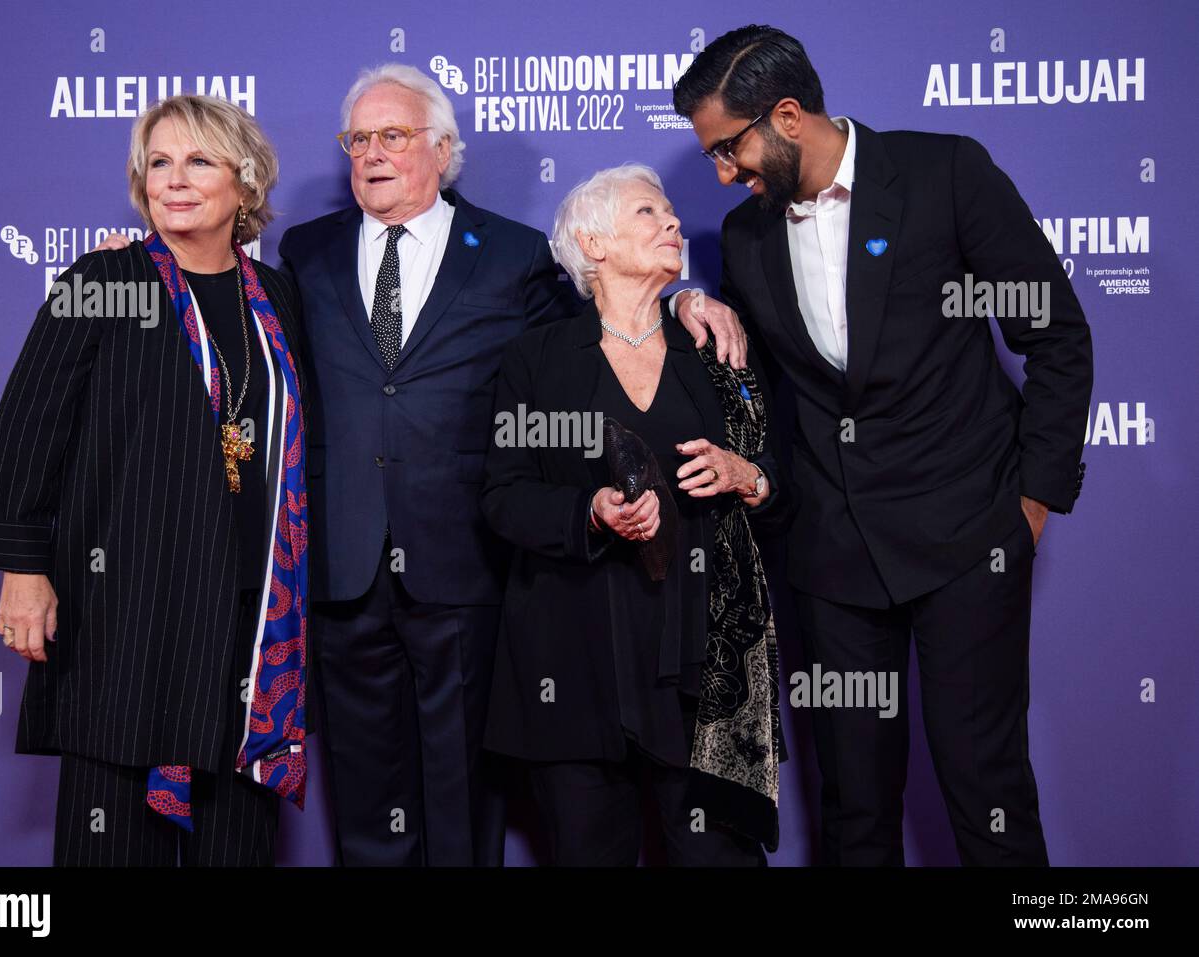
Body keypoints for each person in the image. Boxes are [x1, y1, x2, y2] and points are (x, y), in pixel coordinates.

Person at [277, 64, 748, 866]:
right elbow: (240, 321)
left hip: (464, 565)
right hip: (343, 565)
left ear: (442, 148)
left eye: (392, 136)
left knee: (464, 805)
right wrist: (135, 260)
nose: (371, 154)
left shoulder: (512, 253)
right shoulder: (306, 250)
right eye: (357, 138)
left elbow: (606, 320)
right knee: (365, 801)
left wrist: (679, 299)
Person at [673, 25, 1094, 865]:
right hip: (835, 558)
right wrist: (687, 299)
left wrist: (1032, 503)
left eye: (730, 147)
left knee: (988, 789)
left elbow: (1055, 336)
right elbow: (760, 381)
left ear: (787, 115)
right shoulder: (750, 237)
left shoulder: (944, 174)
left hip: (969, 541)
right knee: (856, 808)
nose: (723, 173)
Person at [0, 94, 308, 866]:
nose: (174, 181)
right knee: (112, 842)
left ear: (245, 186)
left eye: (199, 162)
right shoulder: (103, 278)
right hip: (126, 611)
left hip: (251, 623)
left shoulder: (277, 300)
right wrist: (24, 568)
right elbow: (26, 429)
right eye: (159, 163)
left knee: (237, 842)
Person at [481, 164, 790, 866]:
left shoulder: (719, 347)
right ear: (592, 243)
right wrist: (588, 511)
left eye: (673, 213)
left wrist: (749, 476)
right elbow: (503, 495)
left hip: (705, 662)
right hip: (574, 658)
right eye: (651, 212)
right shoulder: (536, 358)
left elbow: (781, 481)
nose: (675, 223)